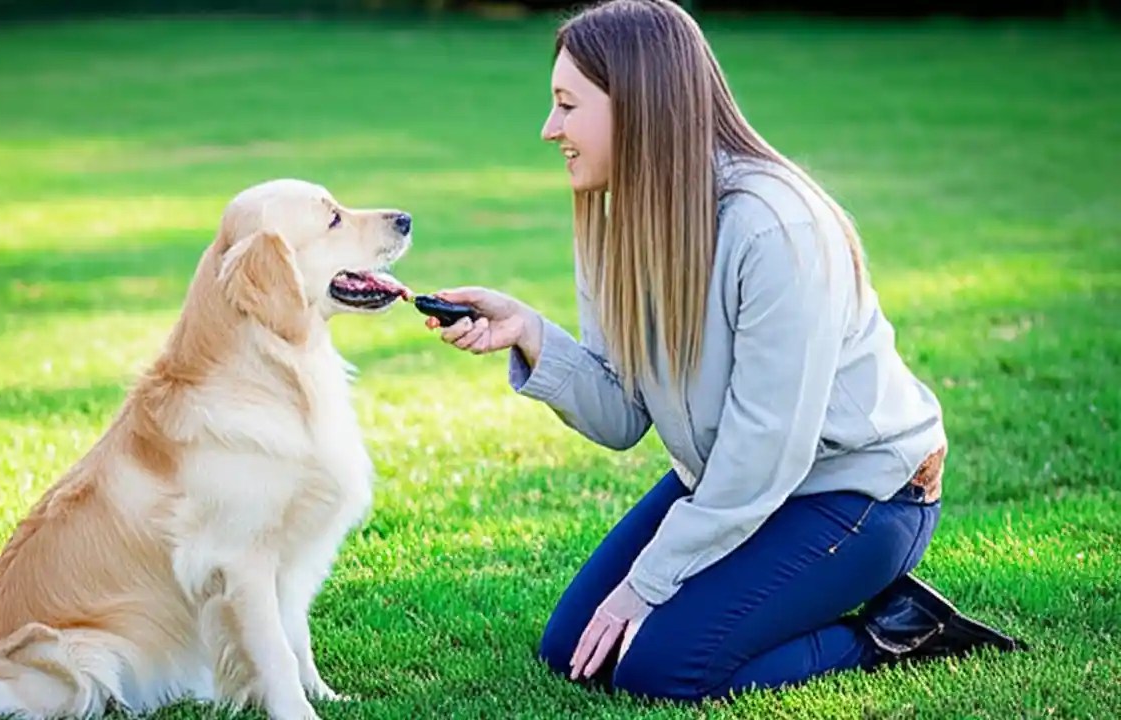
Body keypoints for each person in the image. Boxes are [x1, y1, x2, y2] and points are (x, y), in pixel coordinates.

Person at [421, 0, 1022, 705]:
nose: (550, 129)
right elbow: (621, 416)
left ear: (638, 106)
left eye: (566, 105)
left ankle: (897, 630)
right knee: (572, 653)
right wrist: (529, 332)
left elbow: (768, 452)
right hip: (735, 482)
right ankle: (778, 596)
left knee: (660, 668)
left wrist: (645, 589)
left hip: (859, 494)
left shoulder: (775, 228)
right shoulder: (621, 221)